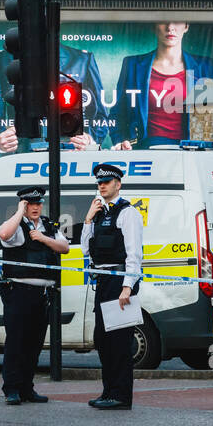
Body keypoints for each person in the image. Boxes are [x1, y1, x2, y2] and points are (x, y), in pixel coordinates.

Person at [0, 185, 70, 405]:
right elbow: (4, 234)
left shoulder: (47, 225)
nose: (35, 207)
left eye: (38, 203)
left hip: (42, 294)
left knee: (34, 343)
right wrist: (19, 212)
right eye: (30, 204)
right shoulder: (16, 225)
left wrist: (43, 238)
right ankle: (12, 388)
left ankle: (27, 388)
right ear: (23, 205)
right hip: (19, 292)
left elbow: (64, 247)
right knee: (16, 342)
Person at [80, 162, 145, 409]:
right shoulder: (99, 214)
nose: (102, 186)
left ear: (118, 184)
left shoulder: (128, 213)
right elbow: (87, 249)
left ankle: (120, 396)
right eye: (99, 182)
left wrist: (127, 287)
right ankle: (108, 391)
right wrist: (87, 219)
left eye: (106, 182)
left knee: (119, 343)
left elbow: (134, 254)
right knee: (103, 340)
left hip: (120, 282)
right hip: (104, 281)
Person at [0, 43, 110, 154]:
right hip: (20, 153)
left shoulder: (82, 59)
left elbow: (100, 115)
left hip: (70, 153)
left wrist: (89, 139)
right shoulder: (1, 59)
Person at [112, 22, 213, 148]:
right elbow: (118, 114)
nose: (170, 27)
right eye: (164, 21)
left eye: (177, 21)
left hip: (192, 153)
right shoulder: (132, 65)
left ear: (186, 26)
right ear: (154, 26)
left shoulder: (205, 67)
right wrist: (121, 141)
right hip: (145, 151)